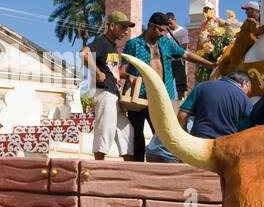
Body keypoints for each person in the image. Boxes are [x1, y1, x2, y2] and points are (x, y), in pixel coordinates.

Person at [122, 12, 214, 160]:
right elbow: (122, 71)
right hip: (139, 98)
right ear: (151, 26)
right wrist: (129, 76)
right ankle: (137, 169)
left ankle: (162, 169)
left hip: (162, 99)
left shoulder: (166, 43)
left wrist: (211, 64)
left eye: (165, 30)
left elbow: (187, 55)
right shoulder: (133, 44)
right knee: (137, 136)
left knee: (163, 137)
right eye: (160, 30)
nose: (162, 33)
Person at [80, 12, 136, 160]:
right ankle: (98, 167)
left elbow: (111, 71)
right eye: (123, 26)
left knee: (127, 132)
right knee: (105, 130)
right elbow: (83, 54)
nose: (126, 31)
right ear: (112, 26)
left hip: (113, 94)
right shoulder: (102, 42)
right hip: (104, 93)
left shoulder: (112, 46)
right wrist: (97, 72)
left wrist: (127, 76)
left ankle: (129, 170)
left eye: (127, 27)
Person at [189, 72, 254, 139]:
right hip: (225, 144)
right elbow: (246, 130)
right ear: (244, 83)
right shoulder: (246, 100)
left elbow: (183, 115)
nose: (247, 95)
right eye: (248, 91)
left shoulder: (201, 87)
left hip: (198, 141)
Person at [165, 12, 189, 99]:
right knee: (166, 82)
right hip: (168, 61)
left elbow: (184, 46)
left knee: (180, 85)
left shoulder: (182, 31)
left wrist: (179, 55)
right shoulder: (165, 32)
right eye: (167, 23)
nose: (169, 25)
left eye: (170, 22)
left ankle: (180, 101)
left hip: (179, 60)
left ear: (174, 20)